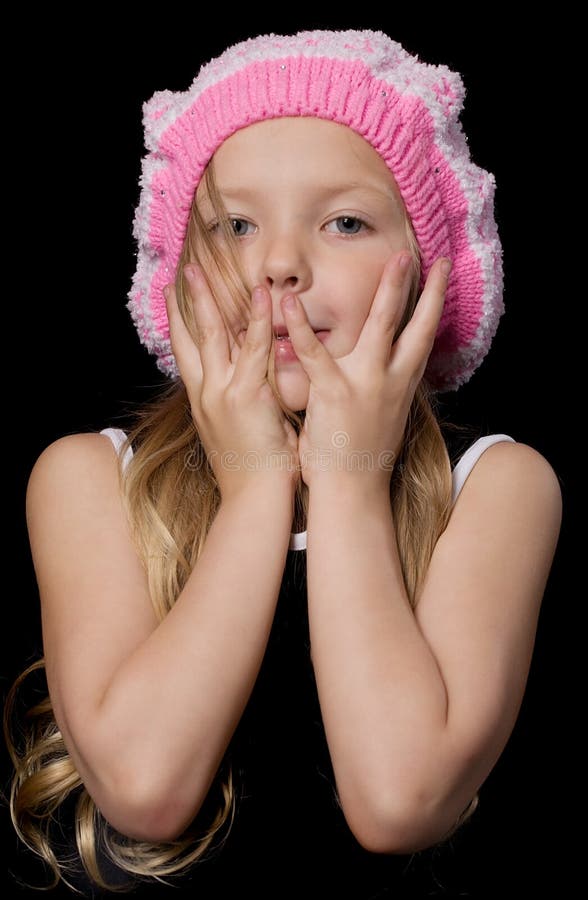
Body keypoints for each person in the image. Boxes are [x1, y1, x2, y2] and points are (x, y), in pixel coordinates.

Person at [4, 28, 562, 898]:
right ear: (180, 268)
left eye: (344, 221)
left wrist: (345, 474)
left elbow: (399, 800)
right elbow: (145, 788)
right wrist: (257, 483)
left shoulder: (497, 487)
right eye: (235, 225)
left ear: (428, 270)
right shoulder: (90, 480)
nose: (278, 265)